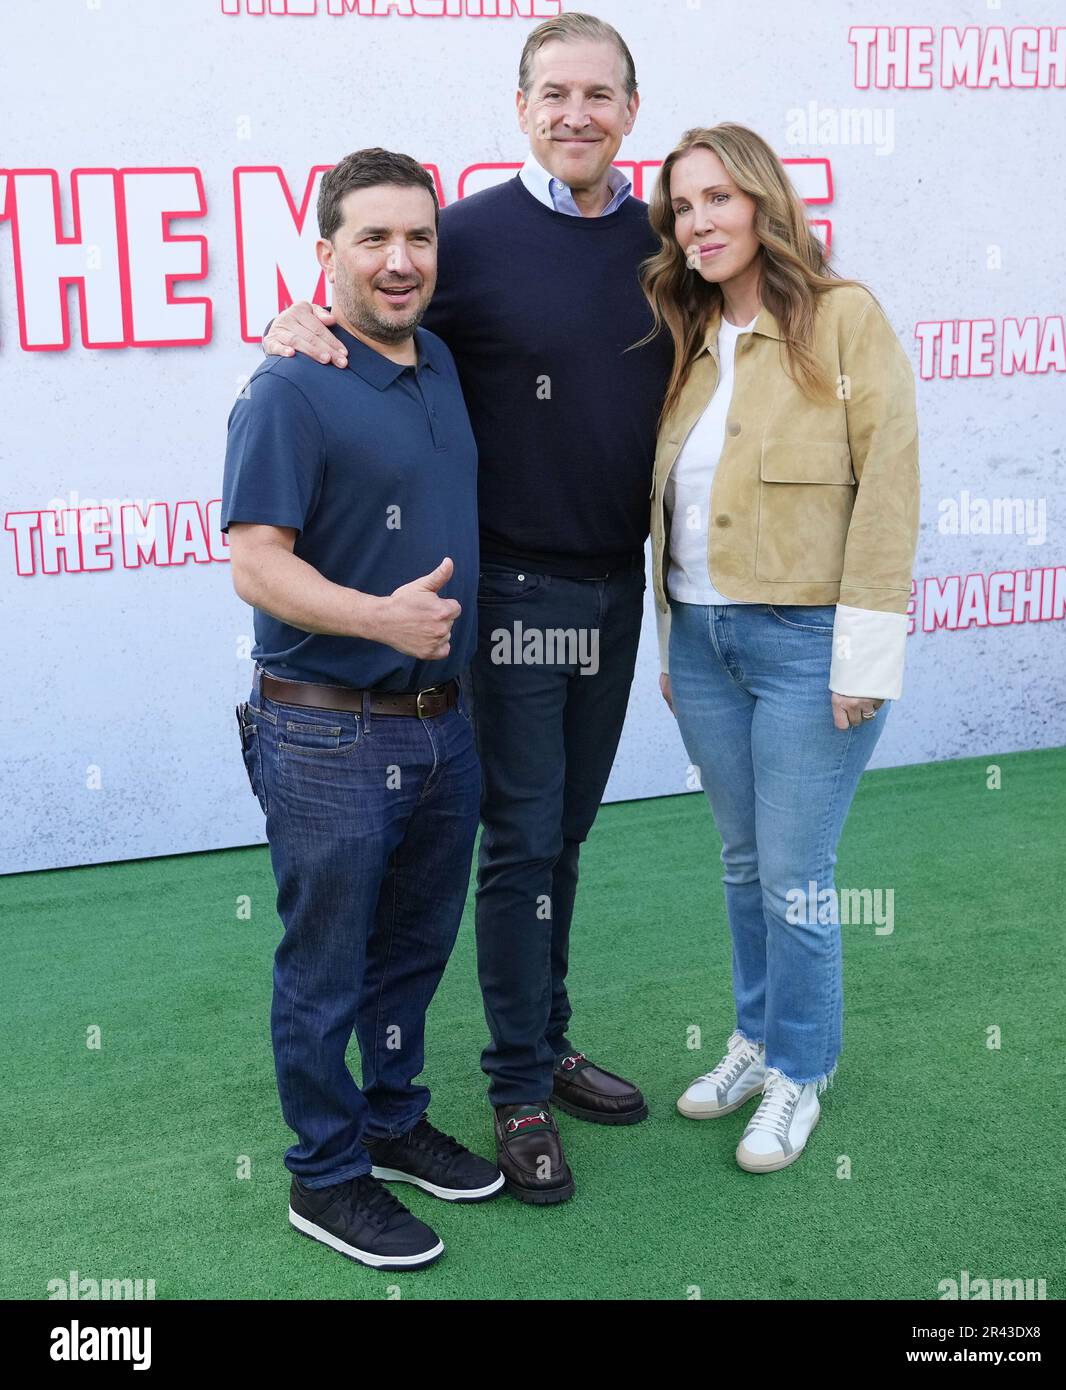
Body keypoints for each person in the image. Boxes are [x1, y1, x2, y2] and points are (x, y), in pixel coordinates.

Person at [260, 13, 674, 1204]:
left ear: (629, 112)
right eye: (553, 93)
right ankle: (516, 1093)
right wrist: (291, 315)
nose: (575, 113)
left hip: (614, 586)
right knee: (523, 840)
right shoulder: (471, 237)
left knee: (568, 836)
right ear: (521, 106)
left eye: (598, 94)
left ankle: (543, 1040)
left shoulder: (659, 240)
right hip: (514, 597)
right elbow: (359, 315)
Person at [222, 147, 503, 1271]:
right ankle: (324, 1176)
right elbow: (255, 564)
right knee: (325, 963)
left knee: (411, 952)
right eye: (372, 238)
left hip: (442, 721)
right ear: (325, 250)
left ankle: (389, 1124)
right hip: (325, 726)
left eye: (418, 237)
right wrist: (378, 619)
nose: (400, 260)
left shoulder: (437, 356)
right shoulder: (286, 386)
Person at [640, 123, 920, 1172]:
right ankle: (755, 1038)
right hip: (703, 639)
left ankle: (802, 1068)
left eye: (716, 198)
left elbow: (887, 482)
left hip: (809, 641)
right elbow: (671, 505)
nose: (697, 221)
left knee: (796, 873)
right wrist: (672, 641)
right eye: (680, 205)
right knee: (743, 859)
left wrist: (866, 652)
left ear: (761, 202)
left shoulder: (841, 319)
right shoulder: (684, 328)